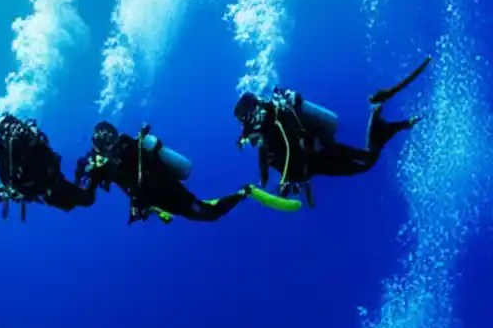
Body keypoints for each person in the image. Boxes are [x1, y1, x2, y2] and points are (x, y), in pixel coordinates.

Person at [233, 56, 429, 206]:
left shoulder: (275, 124)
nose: (251, 139)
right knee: (366, 163)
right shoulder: (264, 142)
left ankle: (378, 111)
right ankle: (387, 119)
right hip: (314, 162)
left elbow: (291, 146)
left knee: (367, 161)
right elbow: (270, 171)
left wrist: (284, 183)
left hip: (319, 150)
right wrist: (268, 186)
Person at [78, 121, 266, 224]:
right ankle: (158, 210)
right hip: (154, 199)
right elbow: (85, 189)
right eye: (108, 150)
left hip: (169, 193)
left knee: (209, 214)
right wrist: (84, 175)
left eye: (115, 146)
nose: (114, 153)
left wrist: (139, 203)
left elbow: (149, 179)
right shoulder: (98, 164)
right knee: (202, 212)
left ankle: (245, 192)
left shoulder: (134, 147)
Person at [0, 113, 97, 221]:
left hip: (45, 185)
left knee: (82, 201)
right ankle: (87, 171)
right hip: (44, 186)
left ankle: (86, 171)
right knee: (81, 201)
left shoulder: (3, 147)